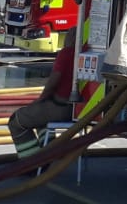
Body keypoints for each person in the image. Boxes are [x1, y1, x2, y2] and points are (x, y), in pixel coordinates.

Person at [7, 31, 77, 164]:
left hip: (61, 107)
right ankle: (49, 153)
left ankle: (30, 164)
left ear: (72, 37)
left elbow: (53, 81)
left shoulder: (66, 53)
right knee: (39, 119)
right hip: (78, 110)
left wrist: (40, 100)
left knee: (16, 121)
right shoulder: (85, 54)